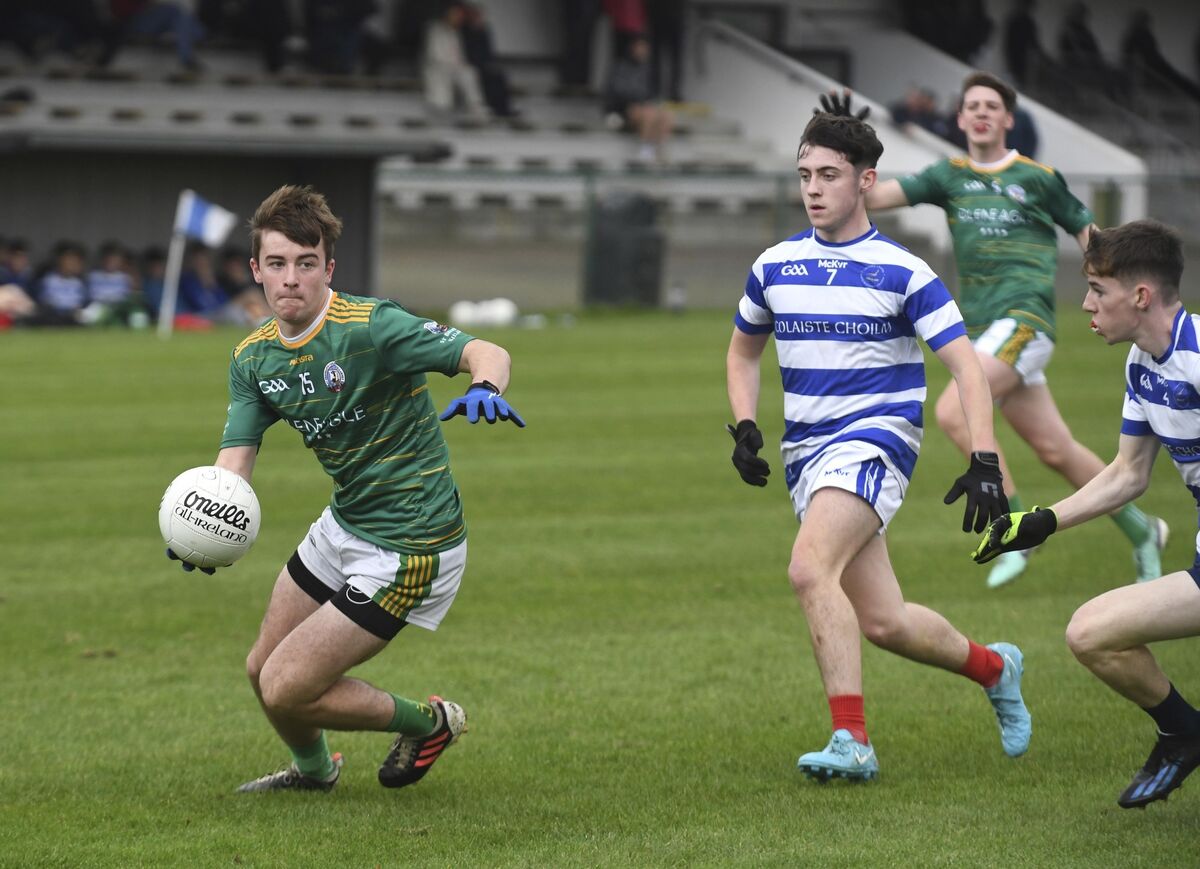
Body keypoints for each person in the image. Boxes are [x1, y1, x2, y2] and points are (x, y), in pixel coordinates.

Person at [165, 184, 525, 793]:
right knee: (262, 669)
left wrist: (487, 386)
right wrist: (200, 524)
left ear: (328, 267)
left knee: (287, 685)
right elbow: (236, 459)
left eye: (306, 264)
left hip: (414, 543)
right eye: (276, 264)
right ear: (256, 269)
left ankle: (430, 722)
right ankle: (315, 773)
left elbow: (484, 349)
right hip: (345, 524)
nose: (290, 279)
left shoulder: (374, 327)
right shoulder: (254, 358)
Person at [725, 109, 1029, 782]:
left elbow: (967, 367)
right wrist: (744, 424)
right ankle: (995, 665)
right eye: (804, 175)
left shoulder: (903, 271)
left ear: (866, 181)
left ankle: (852, 739)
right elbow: (743, 352)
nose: (813, 188)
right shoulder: (773, 265)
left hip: (876, 441)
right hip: (807, 454)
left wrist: (984, 455)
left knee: (809, 569)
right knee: (885, 622)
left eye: (829, 175)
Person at [852, 73, 1167, 590]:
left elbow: (1091, 234)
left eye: (990, 105)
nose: (980, 112)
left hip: (1026, 320)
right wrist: (854, 151)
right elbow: (873, 197)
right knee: (1056, 450)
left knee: (954, 410)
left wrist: (1115, 291)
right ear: (958, 119)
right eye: (971, 104)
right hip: (985, 333)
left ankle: (1016, 526)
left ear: (1007, 119)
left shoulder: (1038, 177)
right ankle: (1143, 533)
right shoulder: (947, 175)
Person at [975, 219, 1200, 808]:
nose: (1085, 303)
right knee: (1091, 634)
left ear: (1141, 297)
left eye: (1099, 289)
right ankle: (1184, 732)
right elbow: (1128, 473)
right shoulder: (1142, 365)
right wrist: (1043, 521)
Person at [604, 34, 672, 163]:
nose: (643, 51)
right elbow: (617, 92)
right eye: (640, 47)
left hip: (644, 106)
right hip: (623, 109)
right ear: (632, 48)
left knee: (665, 115)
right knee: (648, 114)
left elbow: (653, 93)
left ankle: (659, 148)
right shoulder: (620, 67)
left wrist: (651, 102)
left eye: (645, 48)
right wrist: (639, 100)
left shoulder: (648, 69)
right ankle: (646, 151)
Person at [421, 2, 487, 119]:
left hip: (455, 67)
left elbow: (460, 54)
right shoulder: (434, 28)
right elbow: (435, 55)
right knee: (443, 80)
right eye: (455, 15)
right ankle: (441, 108)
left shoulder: (457, 32)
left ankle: (476, 108)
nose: (458, 18)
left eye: (460, 16)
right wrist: (453, 65)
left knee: (469, 73)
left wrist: (459, 65)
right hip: (438, 67)